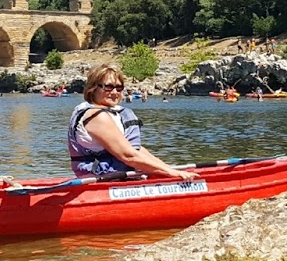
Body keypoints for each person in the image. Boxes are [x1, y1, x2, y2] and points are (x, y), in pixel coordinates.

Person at [67, 63, 201, 181]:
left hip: (111, 177)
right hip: (99, 181)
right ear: (93, 88)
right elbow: (128, 155)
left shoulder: (105, 112)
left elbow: (135, 150)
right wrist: (170, 172)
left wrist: (166, 169)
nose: (114, 92)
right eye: (108, 87)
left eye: (119, 88)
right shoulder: (97, 116)